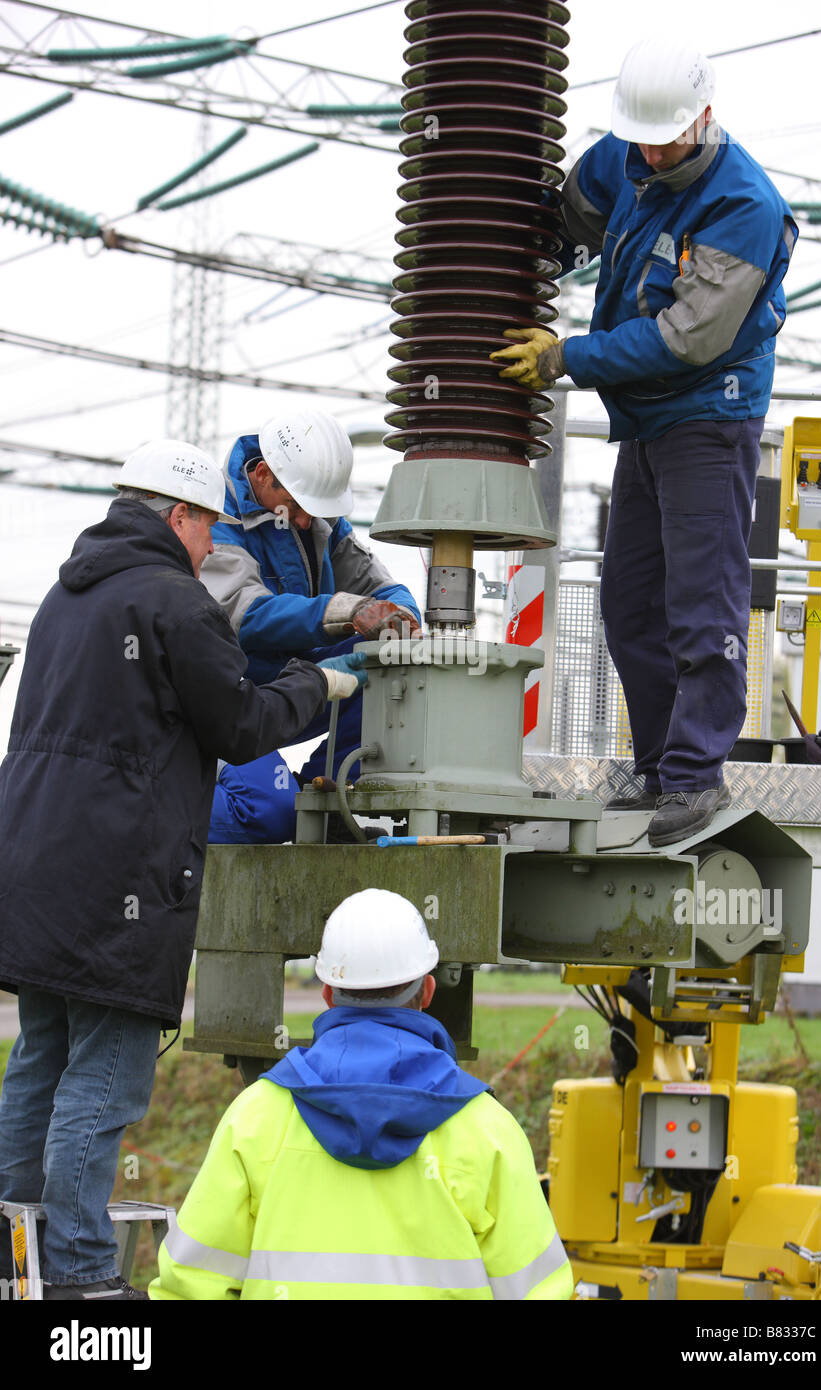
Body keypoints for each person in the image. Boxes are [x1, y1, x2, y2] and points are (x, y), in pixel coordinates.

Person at [0, 439, 366, 1301]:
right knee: (109, 1070)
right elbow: (239, 724)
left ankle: (12, 1250)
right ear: (179, 516)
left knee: (41, 1055)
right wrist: (325, 685)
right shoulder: (176, 603)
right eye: (209, 531)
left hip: (35, 864)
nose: (214, 550)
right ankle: (83, 1275)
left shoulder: (67, 594)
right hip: (117, 881)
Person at [491, 38, 798, 846]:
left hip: (707, 416)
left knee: (702, 605)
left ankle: (696, 777)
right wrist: (536, 257)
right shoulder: (625, 154)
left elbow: (682, 340)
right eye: (643, 138)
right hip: (647, 424)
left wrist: (564, 357)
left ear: (704, 115)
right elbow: (575, 212)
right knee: (629, 605)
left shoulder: (744, 207)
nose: (654, 153)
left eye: (667, 138)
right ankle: (662, 766)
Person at [149, 889, 574, 1301]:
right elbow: (540, 1291)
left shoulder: (256, 1116)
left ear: (328, 994)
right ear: (427, 992)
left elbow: (190, 1287)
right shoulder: (486, 1128)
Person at [199, 410, 421, 786]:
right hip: (235, 699)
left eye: (314, 510)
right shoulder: (215, 515)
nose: (304, 521)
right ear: (263, 473)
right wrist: (347, 611)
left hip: (297, 684)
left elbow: (379, 587)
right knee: (265, 810)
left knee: (390, 660)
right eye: (298, 506)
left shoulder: (320, 519)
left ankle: (323, 796)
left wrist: (401, 617)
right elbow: (247, 615)